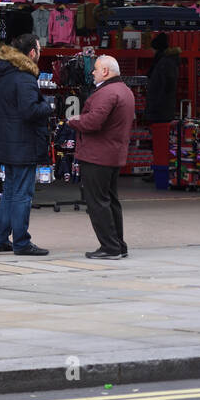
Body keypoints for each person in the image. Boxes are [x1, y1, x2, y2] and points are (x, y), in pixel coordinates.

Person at [0, 34, 54, 256]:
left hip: (8, 142)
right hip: (24, 143)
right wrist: (48, 106)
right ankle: (21, 242)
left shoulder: (2, 74)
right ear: (31, 53)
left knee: (9, 192)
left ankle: (0, 239)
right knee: (22, 194)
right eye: (39, 50)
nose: (40, 54)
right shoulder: (25, 77)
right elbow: (30, 111)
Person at [68, 55, 136, 259]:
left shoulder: (106, 92)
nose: (93, 72)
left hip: (98, 155)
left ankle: (110, 247)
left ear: (105, 71)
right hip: (113, 154)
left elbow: (93, 122)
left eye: (96, 69)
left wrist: (74, 120)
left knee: (97, 202)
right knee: (110, 200)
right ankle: (118, 245)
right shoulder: (125, 90)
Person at [143, 32, 179, 188]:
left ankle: (161, 170)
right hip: (161, 108)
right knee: (160, 143)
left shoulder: (164, 63)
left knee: (161, 143)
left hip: (162, 110)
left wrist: (157, 102)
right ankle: (158, 169)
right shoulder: (164, 61)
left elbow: (166, 86)